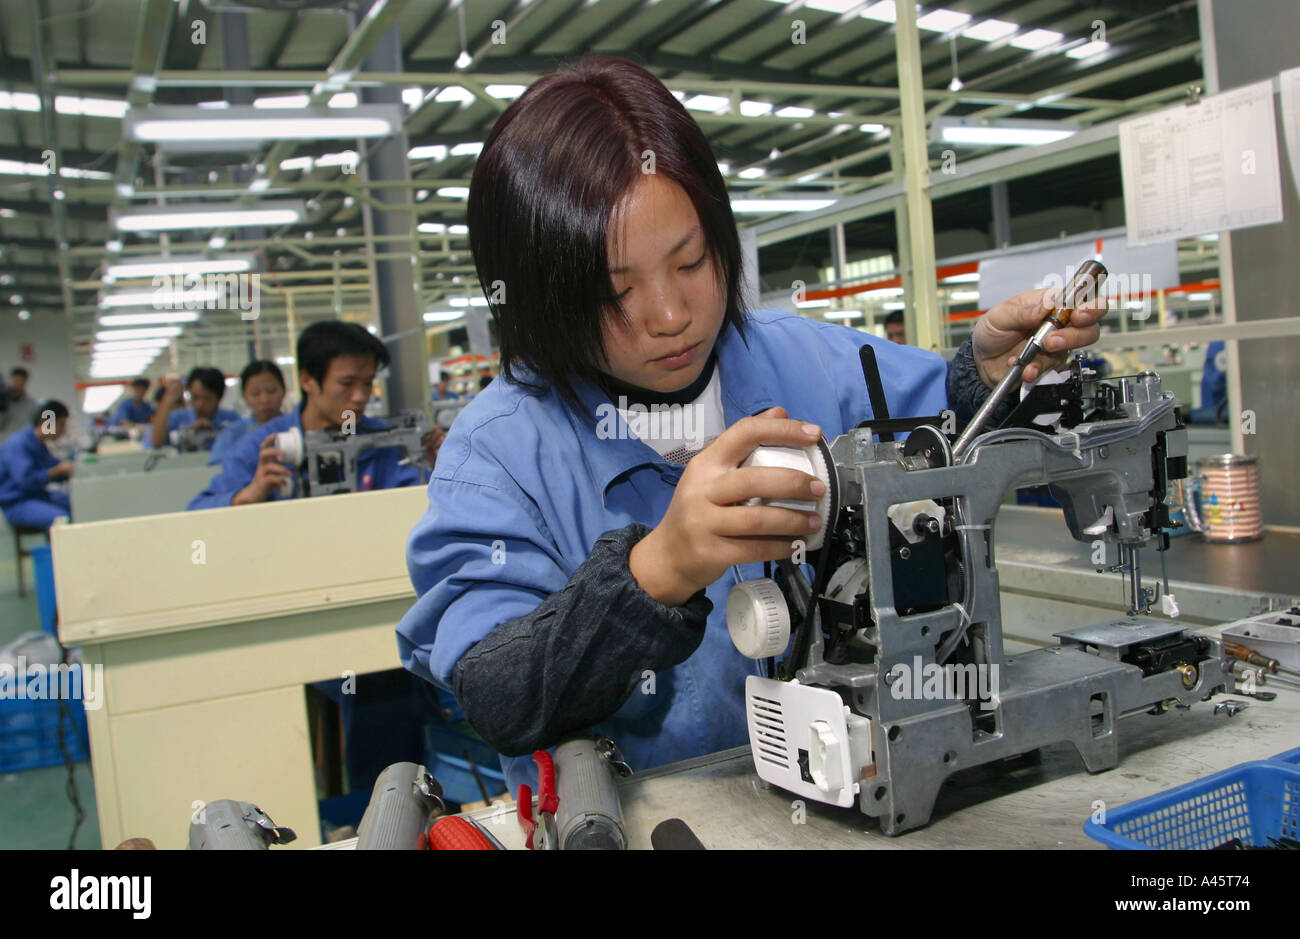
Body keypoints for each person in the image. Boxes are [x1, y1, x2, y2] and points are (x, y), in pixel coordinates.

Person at [395, 57, 1104, 793]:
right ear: (540, 301)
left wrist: (984, 375)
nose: (671, 316)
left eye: (692, 260)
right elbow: (498, 693)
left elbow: (940, 425)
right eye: (616, 292)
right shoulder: (498, 455)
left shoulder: (813, 363)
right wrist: (656, 571)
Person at [188, 322, 425, 509]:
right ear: (307, 381)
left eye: (367, 383)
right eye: (347, 383)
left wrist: (439, 469)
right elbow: (197, 514)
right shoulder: (262, 449)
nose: (360, 396)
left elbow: (421, 504)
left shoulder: (381, 443)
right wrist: (248, 495)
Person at [0, 400, 74, 530]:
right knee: (62, 519)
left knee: (77, 505)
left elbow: (53, 466)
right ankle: (60, 550)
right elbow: (27, 481)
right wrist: (58, 470)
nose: (63, 430)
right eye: (61, 425)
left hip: (37, 497)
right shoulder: (18, 444)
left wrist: (66, 469)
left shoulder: (38, 444)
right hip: (18, 504)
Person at [208, 360, 288, 465]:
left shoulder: (296, 427)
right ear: (244, 396)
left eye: (271, 391)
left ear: (284, 390)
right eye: (255, 394)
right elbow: (218, 470)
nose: (264, 399)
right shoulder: (232, 435)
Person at [147, 366, 241, 452]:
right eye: (195, 397)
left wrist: (216, 434)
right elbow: (156, 442)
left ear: (219, 397)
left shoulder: (231, 419)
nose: (200, 404)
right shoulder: (177, 418)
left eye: (207, 398)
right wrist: (167, 400)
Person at [0, 367, 42, 442]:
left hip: (20, 445)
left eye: (21, 381)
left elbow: (36, 427)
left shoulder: (32, 405)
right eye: (16, 380)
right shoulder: (3, 401)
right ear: (11, 380)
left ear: (26, 382)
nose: (18, 384)